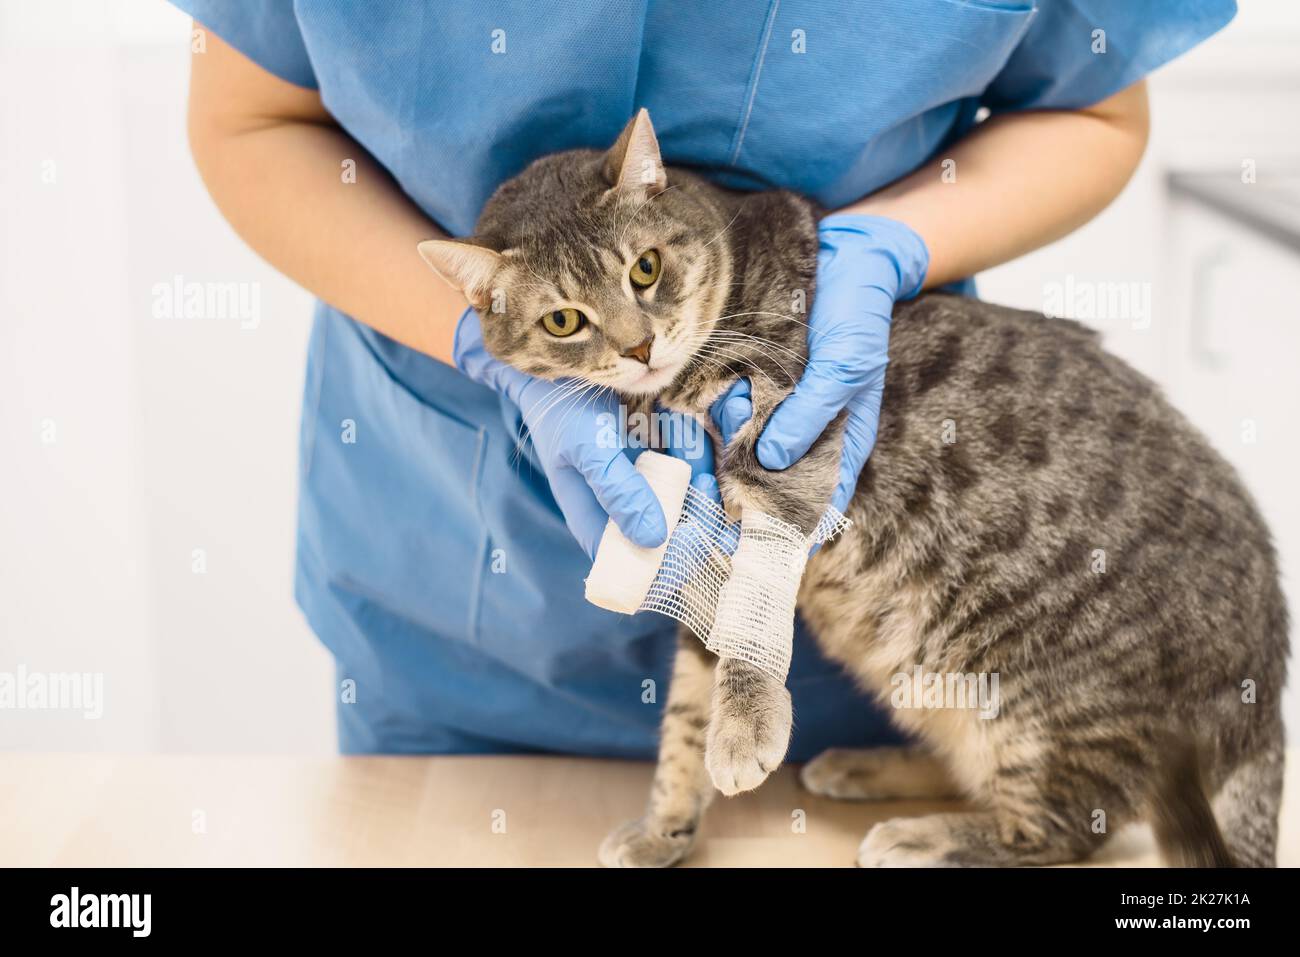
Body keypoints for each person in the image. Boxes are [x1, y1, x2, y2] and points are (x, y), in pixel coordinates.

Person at [177, 1, 1236, 757]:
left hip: (882, 612)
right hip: (453, 605)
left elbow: (1096, 112)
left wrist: (889, 246)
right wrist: (478, 343)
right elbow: (252, 118)